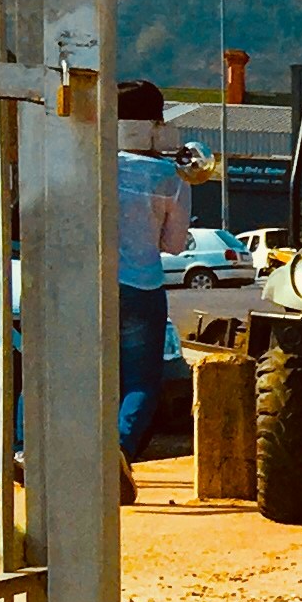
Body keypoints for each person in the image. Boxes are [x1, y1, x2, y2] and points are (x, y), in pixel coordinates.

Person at [114, 80, 193, 479]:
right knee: (142, 378)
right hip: (142, 285)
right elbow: (175, 244)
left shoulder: (92, 163)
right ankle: (120, 449)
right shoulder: (170, 175)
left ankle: (31, 448)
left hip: (87, 282)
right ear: (158, 123)